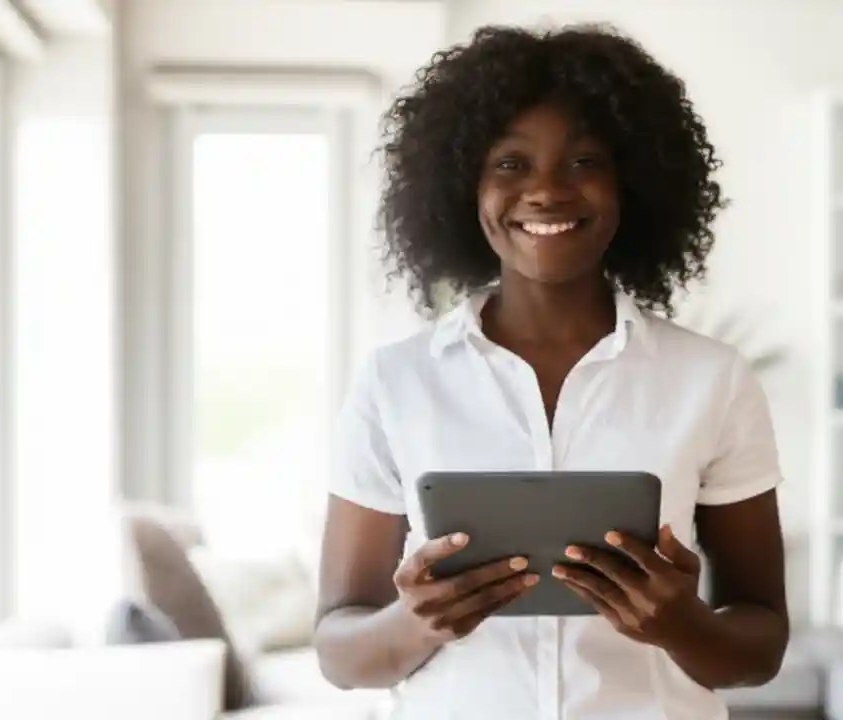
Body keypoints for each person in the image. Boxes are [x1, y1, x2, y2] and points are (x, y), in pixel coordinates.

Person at [312, 24, 788, 720]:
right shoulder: (395, 383)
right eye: (510, 163)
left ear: (632, 181)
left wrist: (682, 623)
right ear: (463, 185)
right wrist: (417, 620)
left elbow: (761, 644)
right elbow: (337, 649)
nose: (545, 191)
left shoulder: (711, 379)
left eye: (583, 161)